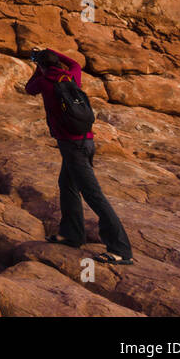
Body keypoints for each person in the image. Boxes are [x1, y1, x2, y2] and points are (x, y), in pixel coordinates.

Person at [24, 48, 134, 265]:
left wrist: (38, 66)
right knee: (67, 185)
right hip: (87, 141)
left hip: (72, 147)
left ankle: (120, 250)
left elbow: (29, 88)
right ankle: (72, 235)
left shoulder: (46, 83)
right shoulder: (72, 76)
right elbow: (74, 62)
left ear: (43, 67)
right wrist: (50, 54)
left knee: (94, 195)